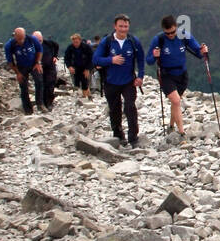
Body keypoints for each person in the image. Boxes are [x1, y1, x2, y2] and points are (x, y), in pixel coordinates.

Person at [148, 15, 209, 142]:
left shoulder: (184, 36)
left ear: (176, 27)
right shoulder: (158, 40)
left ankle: (171, 126)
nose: (170, 35)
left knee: (175, 101)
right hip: (166, 75)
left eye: (173, 32)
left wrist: (203, 50)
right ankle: (182, 133)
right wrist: (154, 56)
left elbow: (198, 53)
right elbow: (149, 61)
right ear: (163, 30)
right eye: (167, 33)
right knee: (176, 101)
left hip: (182, 74)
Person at [92, 14, 146, 147]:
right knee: (114, 110)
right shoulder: (107, 42)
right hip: (110, 82)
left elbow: (140, 59)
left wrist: (140, 77)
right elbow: (96, 59)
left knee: (130, 108)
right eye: (121, 26)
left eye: (126, 26)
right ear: (115, 26)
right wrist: (111, 60)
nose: (123, 29)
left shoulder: (133, 41)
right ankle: (118, 135)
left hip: (128, 81)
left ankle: (133, 138)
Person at [2, 27, 42, 115]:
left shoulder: (32, 39)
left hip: (33, 64)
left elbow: (39, 50)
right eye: (19, 39)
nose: (21, 41)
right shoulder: (9, 45)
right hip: (21, 66)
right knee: (23, 87)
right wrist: (17, 73)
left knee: (39, 81)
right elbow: (10, 61)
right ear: (15, 36)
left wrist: (38, 63)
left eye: (22, 38)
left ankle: (40, 104)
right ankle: (28, 110)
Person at [32, 30, 59, 111]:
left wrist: (55, 56)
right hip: (39, 67)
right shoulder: (31, 45)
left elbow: (56, 45)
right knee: (41, 84)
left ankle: (49, 103)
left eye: (40, 40)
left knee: (50, 84)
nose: (39, 42)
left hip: (50, 66)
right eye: (37, 40)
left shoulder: (48, 43)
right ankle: (41, 103)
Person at [64, 33, 94, 99]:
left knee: (84, 81)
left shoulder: (86, 47)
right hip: (75, 67)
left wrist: (88, 69)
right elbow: (66, 58)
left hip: (86, 66)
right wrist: (69, 67)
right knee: (76, 82)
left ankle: (85, 97)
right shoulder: (70, 48)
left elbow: (91, 58)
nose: (75, 44)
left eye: (77, 42)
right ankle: (88, 95)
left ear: (80, 40)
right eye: (74, 42)